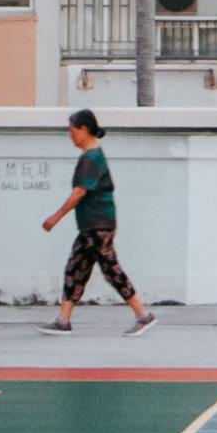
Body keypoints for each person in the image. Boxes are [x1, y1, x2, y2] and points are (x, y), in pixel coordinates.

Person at [43, 106, 152, 333]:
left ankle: (143, 314)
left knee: (109, 269)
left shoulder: (91, 158)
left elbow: (80, 192)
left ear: (83, 129)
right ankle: (63, 319)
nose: (70, 135)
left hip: (97, 225)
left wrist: (55, 217)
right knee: (76, 268)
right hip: (94, 225)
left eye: (72, 130)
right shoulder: (91, 156)